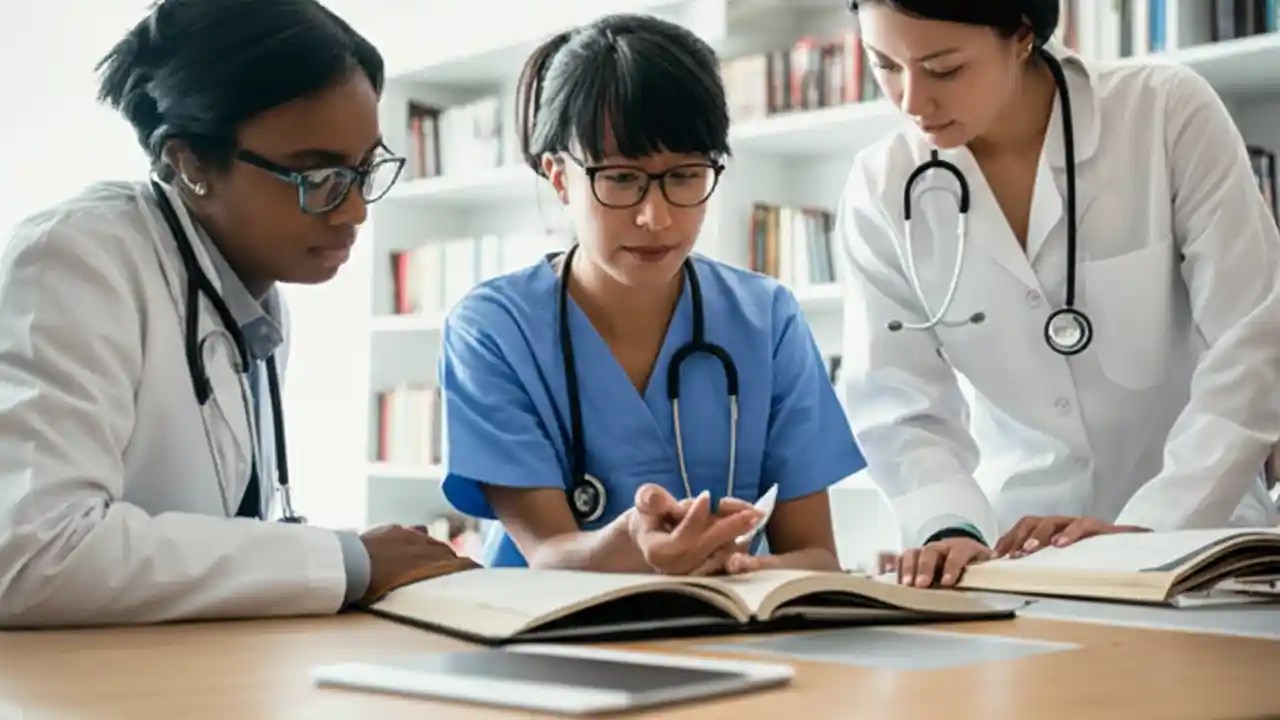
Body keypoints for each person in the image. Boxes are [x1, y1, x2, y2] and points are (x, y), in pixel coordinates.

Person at [0, 0, 475, 628]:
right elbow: (33, 555)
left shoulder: (251, 299)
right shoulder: (76, 259)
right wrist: (346, 560)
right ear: (190, 162)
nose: (355, 210)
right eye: (319, 175)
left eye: (364, 171)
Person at [836, 0, 1280, 588]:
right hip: (1019, 559)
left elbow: (1252, 341)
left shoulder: (1163, 113)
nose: (912, 101)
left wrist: (1152, 529)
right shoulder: (881, 187)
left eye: (944, 70)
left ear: (1023, 33)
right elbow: (897, 403)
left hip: (1196, 548)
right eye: (885, 65)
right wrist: (948, 527)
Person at [438, 13, 866, 574]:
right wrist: (636, 544)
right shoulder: (493, 330)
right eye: (620, 178)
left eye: (685, 176)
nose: (655, 216)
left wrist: (752, 570)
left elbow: (815, 556)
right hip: (545, 644)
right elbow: (548, 553)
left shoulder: (766, 320)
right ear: (560, 177)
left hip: (723, 640)